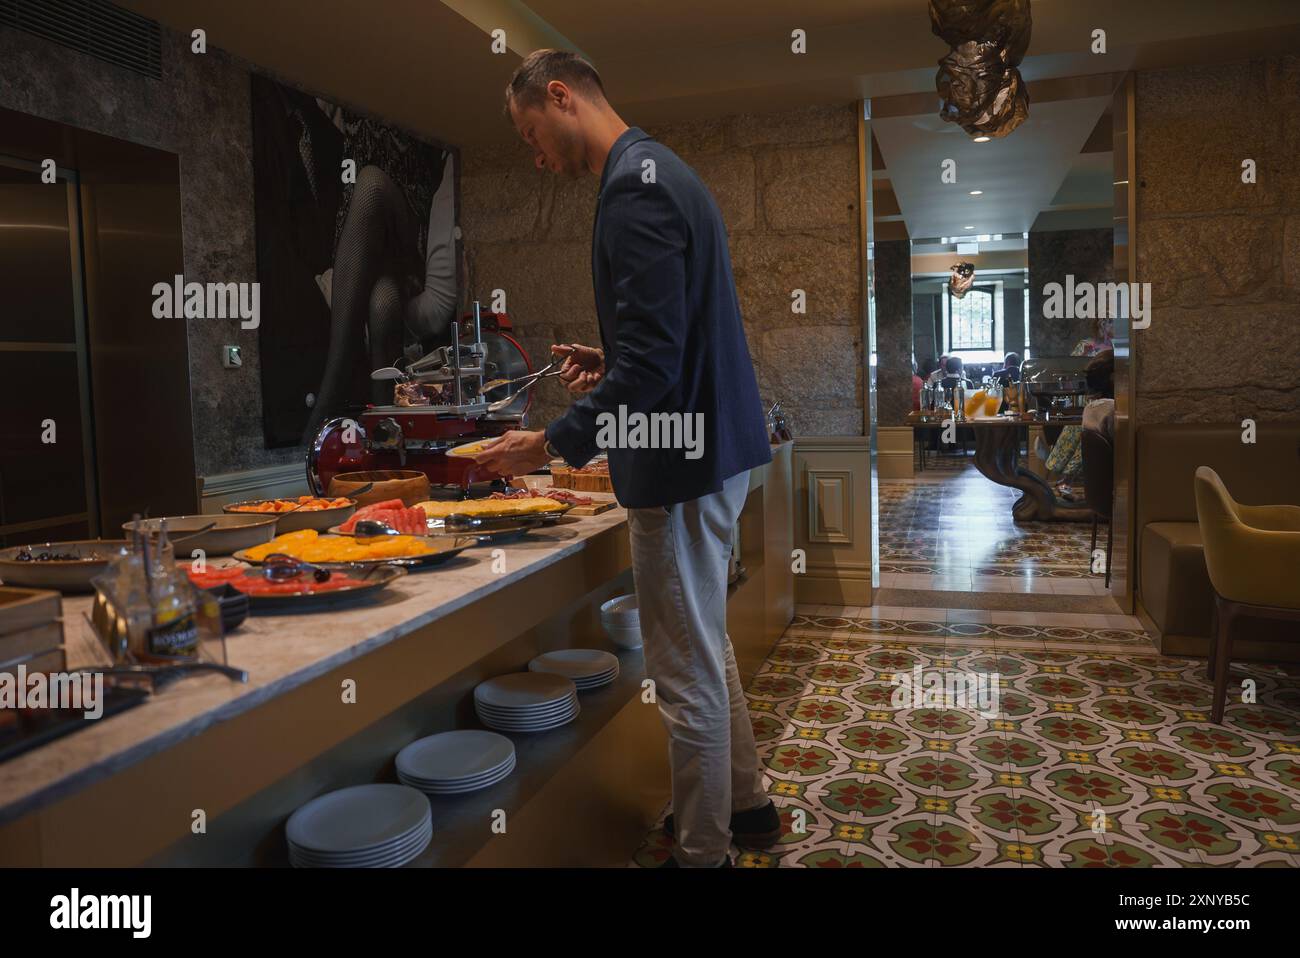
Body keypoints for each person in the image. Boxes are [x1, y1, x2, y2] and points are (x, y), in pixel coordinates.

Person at [470, 50, 778, 868]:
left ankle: (703, 852)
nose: (535, 156)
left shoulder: (630, 193)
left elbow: (656, 369)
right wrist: (613, 362)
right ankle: (748, 810)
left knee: (683, 676)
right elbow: (670, 350)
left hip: (678, 473)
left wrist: (543, 442)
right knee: (706, 648)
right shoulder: (661, 171)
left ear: (562, 96)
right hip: (713, 454)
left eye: (531, 134)